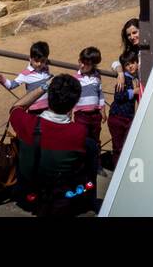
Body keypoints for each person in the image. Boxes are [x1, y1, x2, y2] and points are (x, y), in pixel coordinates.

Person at [8, 75, 94, 216]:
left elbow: (17, 107)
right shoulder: (78, 132)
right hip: (59, 196)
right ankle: (88, 198)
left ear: (49, 97)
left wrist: (44, 86)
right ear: (74, 103)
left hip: (28, 187)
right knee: (91, 146)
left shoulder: (25, 122)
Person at [72, 47, 107, 172]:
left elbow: (100, 93)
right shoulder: (75, 78)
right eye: (80, 61)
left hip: (95, 115)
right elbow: (72, 97)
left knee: (95, 139)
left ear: (93, 64)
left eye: (86, 64)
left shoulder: (97, 77)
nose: (82, 65)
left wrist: (102, 109)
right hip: (81, 115)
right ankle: (82, 166)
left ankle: (96, 164)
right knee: (82, 140)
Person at [107, 49, 143, 167]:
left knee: (126, 146)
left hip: (127, 117)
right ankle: (117, 170)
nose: (131, 66)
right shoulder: (124, 80)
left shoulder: (136, 78)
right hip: (117, 117)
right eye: (127, 65)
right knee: (118, 147)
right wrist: (134, 91)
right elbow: (118, 96)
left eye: (133, 63)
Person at [112, 18, 141, 94]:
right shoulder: (131, 52)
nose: (131, 37)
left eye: (134, 32)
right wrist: (120, 73)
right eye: (128, 35)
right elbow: (115, 63)